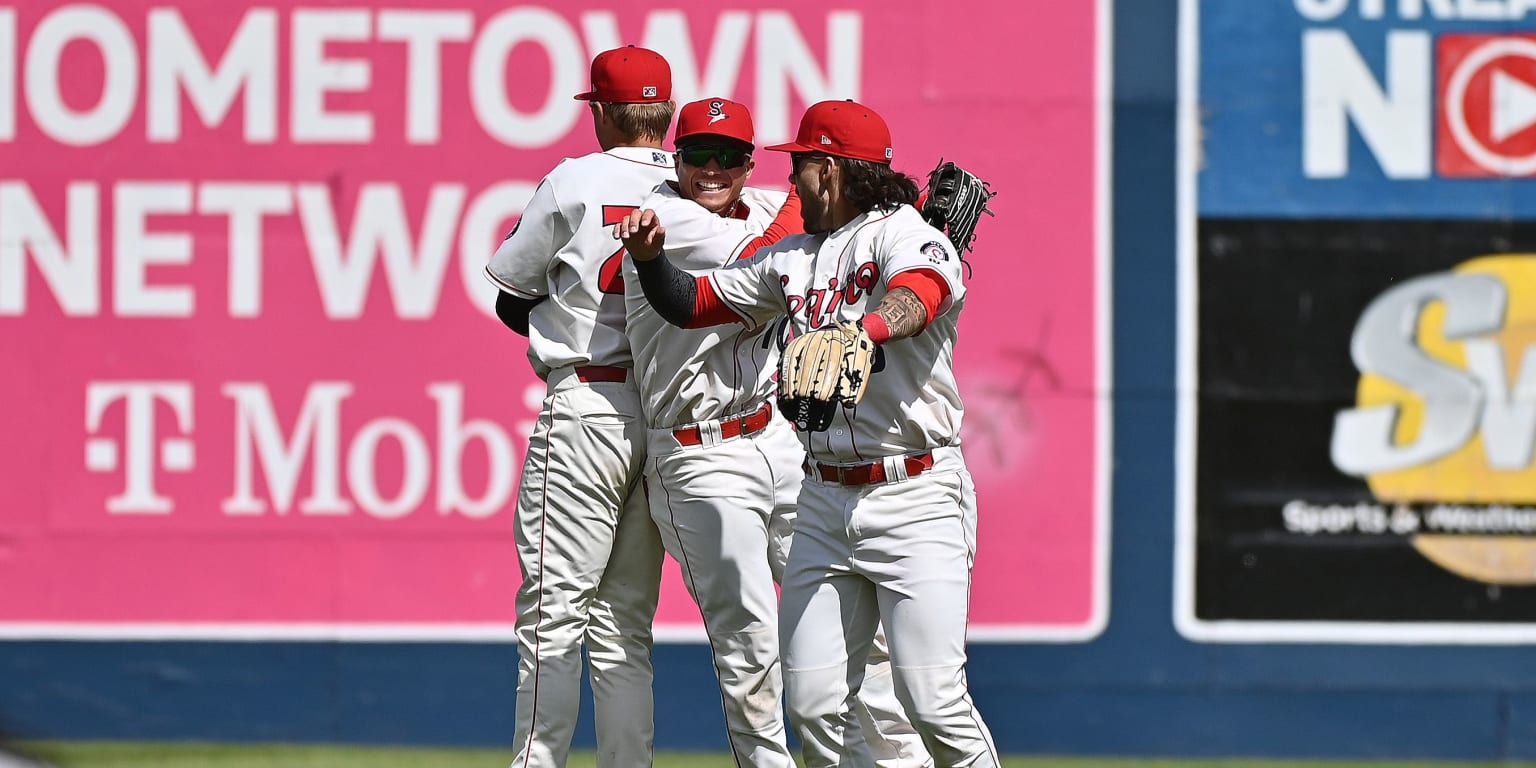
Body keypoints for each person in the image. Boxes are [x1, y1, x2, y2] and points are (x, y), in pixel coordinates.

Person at [619, 99, 999, 767]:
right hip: (823, 499)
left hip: (915, 493)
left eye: (800, 165)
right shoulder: (793, 257)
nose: (790, 180)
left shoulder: (906, 234)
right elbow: (695, 303)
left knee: (934, 702)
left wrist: (863, 332)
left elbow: (920, 294)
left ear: (831, 169)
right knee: (816, 704)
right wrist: (652, 262)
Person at [484, 45, 674, 768]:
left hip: (588, 405)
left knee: (552, 614)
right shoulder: (694, 187)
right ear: (663, 113)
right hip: (664, 414)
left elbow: (510, 290)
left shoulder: (575, 180)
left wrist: (560, 316)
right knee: (625, 624)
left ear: (602, 112)